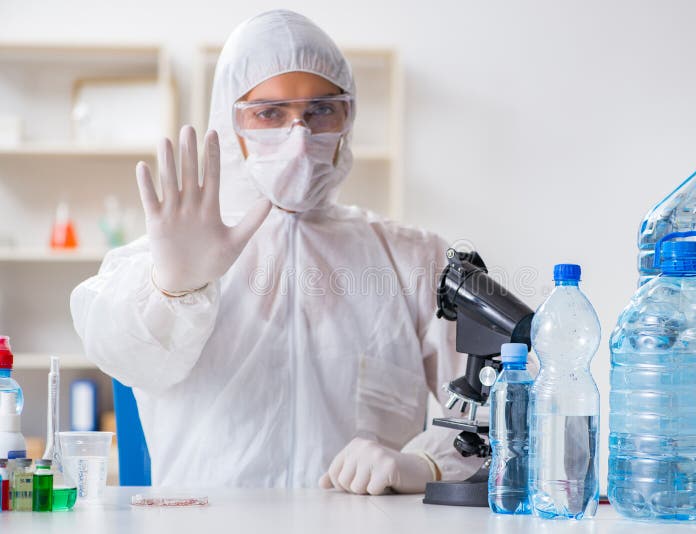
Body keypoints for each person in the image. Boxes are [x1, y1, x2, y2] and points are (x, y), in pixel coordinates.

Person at [70, 10, 482, 492]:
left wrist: (428, 465)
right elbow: (117, 349)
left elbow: (503, 403)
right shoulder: (176, 252)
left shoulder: (412, 257)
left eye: (320, 110)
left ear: (347, 115)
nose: (299, 135)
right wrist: (171, 289)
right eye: (269, 113)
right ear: (232, 120)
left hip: (363, 525)